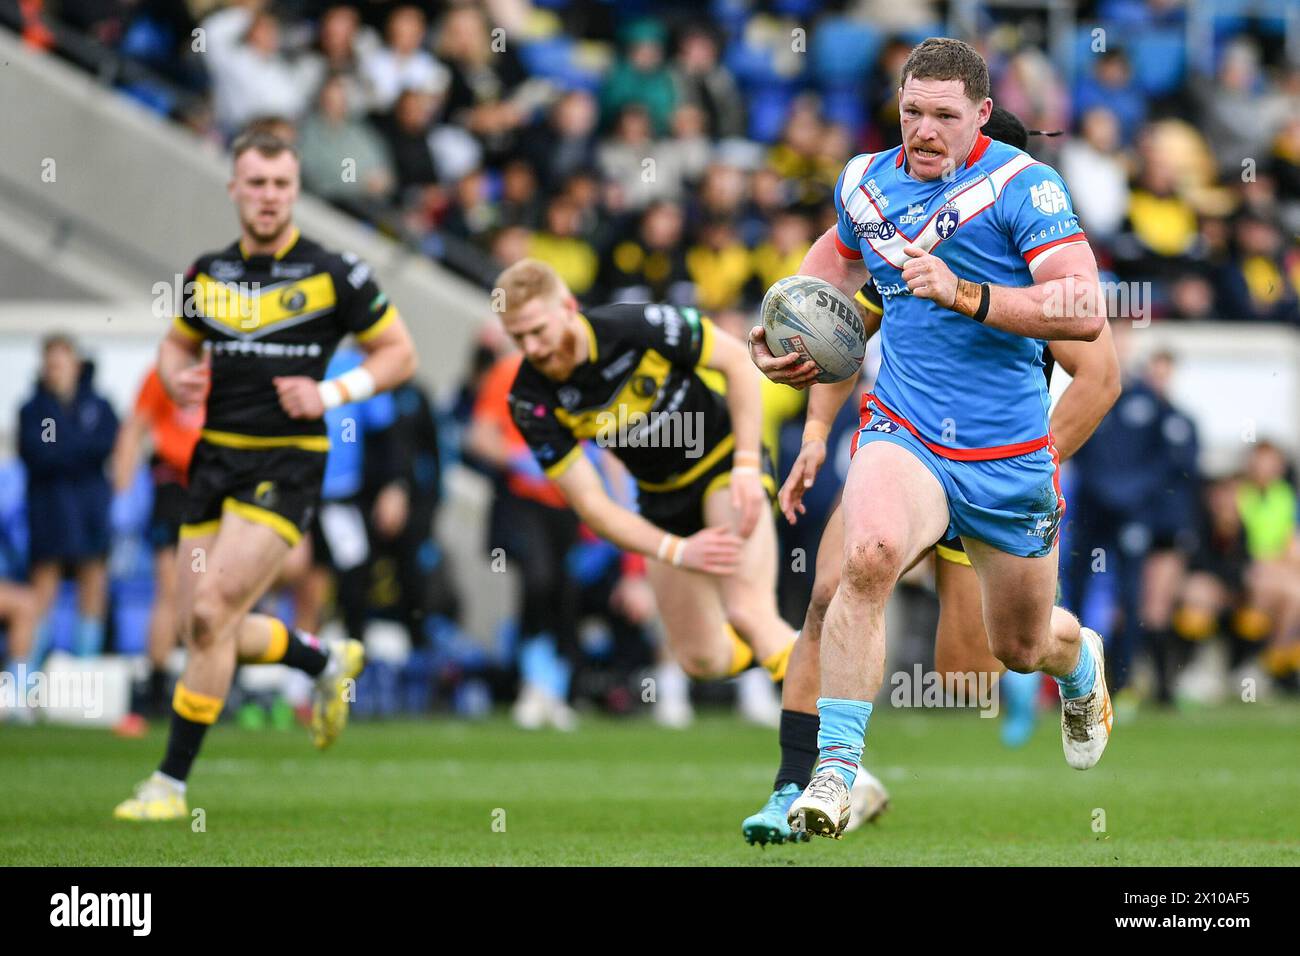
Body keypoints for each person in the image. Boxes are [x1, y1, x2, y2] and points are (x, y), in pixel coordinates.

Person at [749, 38, 1111, 839]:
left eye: (944, 115)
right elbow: (833, 268)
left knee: (1005, 654)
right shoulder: (864, 184)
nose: (924, 128)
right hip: (904, 431)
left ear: (981, 115)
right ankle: (831, 778)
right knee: (864, 559)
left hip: (1008, 454)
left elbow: (1084, 310)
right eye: (912, 110)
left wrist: (965, 292)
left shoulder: (1027, 186)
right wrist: (785, 319)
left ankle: (1076, 657)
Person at [113, 129, 417, 822]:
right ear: (234, 189)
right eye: (256, 183)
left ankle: (169, 784)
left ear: (296, 191)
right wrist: (176, 377)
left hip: (286, 463)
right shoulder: (207, 274)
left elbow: (400, 354)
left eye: (281, 184)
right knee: (203, 628)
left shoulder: (335, 272)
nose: (269, 196)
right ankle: (322, 659)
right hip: (214, 459)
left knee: (213, 613)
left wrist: (331, 395)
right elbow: (174, 346)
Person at [494, 258, 797, 717]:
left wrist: (747, 465)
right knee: (701, 659)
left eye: (538, 330)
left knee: (748, 612)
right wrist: (677, 551)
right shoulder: (530, 400)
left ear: (568, 307)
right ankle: (804, 651)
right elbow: (592, 503)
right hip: (660, 499)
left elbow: (736, 360)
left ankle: (839, 768)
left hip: (723, 466)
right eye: (518, 338)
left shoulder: (635, 325)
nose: (532, 347)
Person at [111, 365, 205, 720]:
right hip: (172, 488)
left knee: (207, 590)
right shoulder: (163, 372)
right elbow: (135, 426)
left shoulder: (226, 368)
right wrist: (122, 485)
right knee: (170, 589)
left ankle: (207, 684)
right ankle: (157, 682)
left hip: (211, 486)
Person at [18, 334, 119, 660]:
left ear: (76, 364)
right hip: (49, 511)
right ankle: (27, 679)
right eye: (50, 364)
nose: (55, 370)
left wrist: (67, 450)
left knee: (93, 583)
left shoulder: (98, 406)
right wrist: (78, 450)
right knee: (42, 588)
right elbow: (42, 453)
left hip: (90, 512)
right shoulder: (36, 410)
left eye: (61, 362)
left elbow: (105, 445)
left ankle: (84, 669)